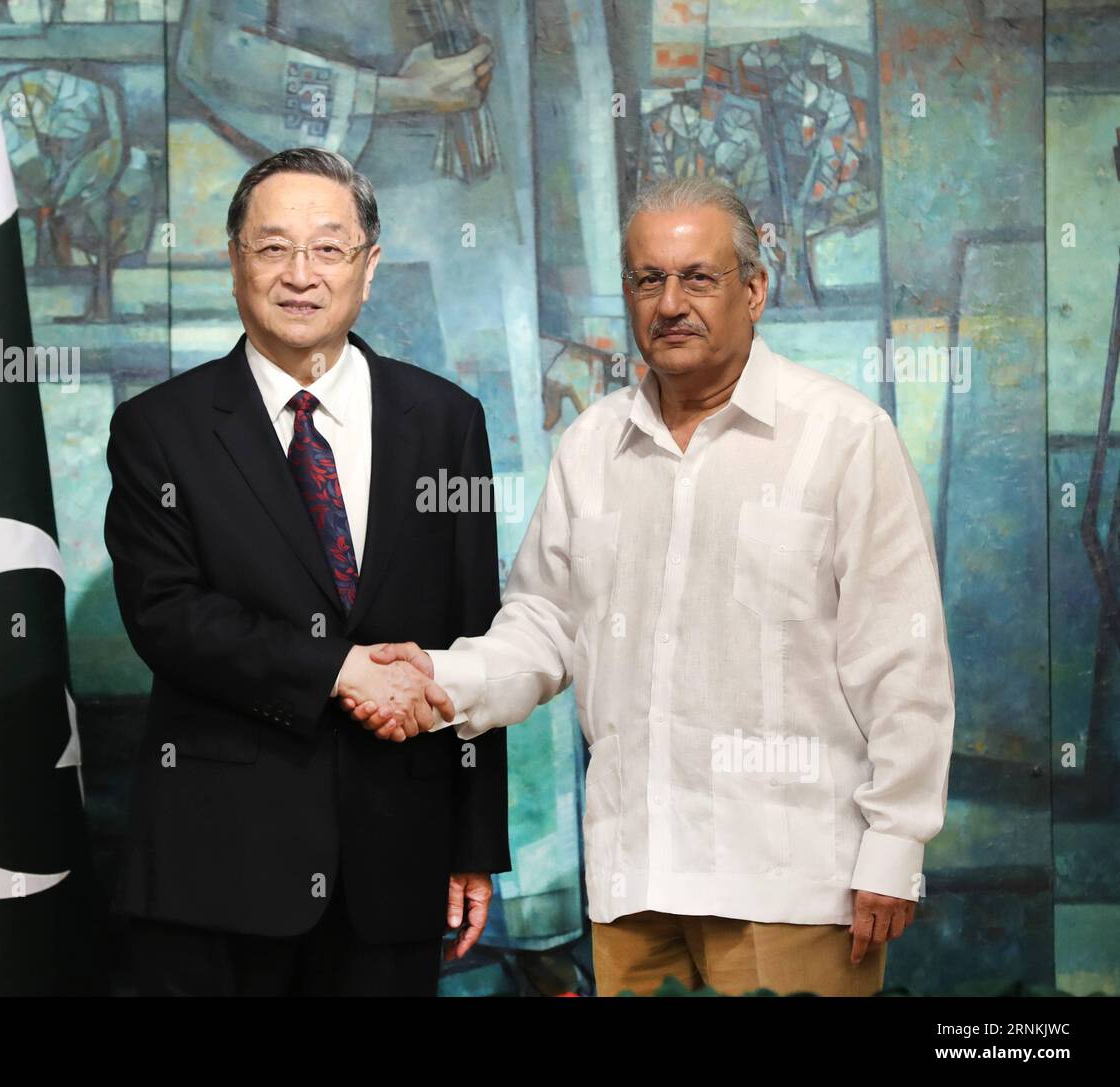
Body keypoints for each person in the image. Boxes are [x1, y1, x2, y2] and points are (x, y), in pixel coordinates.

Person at [344, 176, 956, 997]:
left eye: (698, 277)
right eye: (647, 280)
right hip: (633, 886)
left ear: (754, 289)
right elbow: (542, 627)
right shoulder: (593, 444)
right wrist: (439, 678)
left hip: (793, 884)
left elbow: (904, 659)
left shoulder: (844, 437)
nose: (670, 302)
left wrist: (896, 841)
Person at [104, 147, 509, 996]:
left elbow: (477, 634)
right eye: (271, 247)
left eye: (328, 248)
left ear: (369, 267)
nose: (300, 274)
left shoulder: (444, 421)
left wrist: (473, 843)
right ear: (233, 262)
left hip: (394, 866)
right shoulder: (159, 430)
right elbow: (167, 616)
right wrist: (340, 667)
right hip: (217, 872)